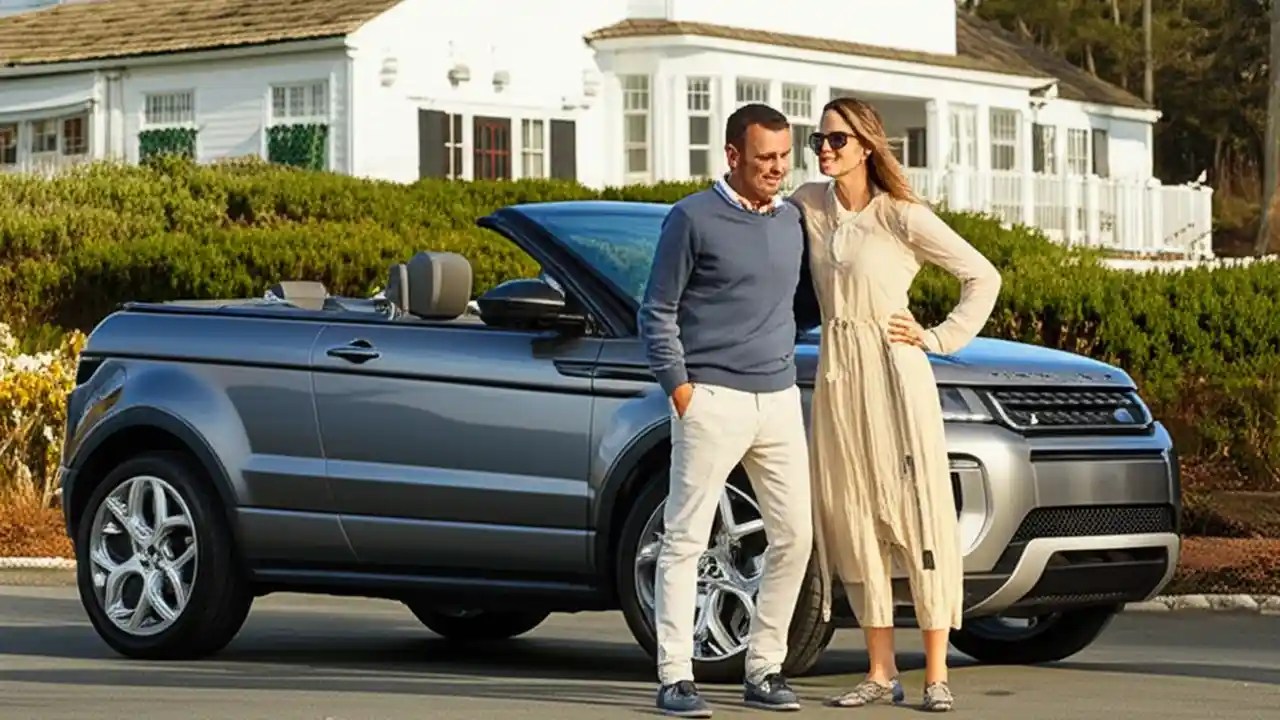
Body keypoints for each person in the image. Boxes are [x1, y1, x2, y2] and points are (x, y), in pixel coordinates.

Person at [786, 96, 1001, 713]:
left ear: (867, 145)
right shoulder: (809, 204)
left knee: (916, 511)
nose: (825, 149)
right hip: (836, 374)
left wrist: (937, 339)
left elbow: (982, 276)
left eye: (837, 140)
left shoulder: (901, 214)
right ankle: (881, 671)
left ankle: (936, 674)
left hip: (893, 370)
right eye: (819, 140)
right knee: (851, 513)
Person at [637, 103, 814, 717]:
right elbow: (656, 311)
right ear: (733, 156)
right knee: (685, 538)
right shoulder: (690, 218)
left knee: (796, 536)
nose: (777, 168)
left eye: (785, 156)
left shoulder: (792, 220)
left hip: (781, 400)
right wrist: (681, 388)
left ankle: (764, 669)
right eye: (765, 157)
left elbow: (800, 303)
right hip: (711, 399)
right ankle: (676, 676)